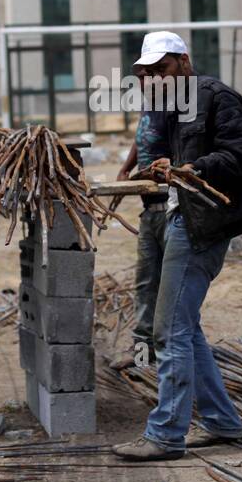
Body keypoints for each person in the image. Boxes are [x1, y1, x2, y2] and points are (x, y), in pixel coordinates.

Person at [111, 31, 242, 462]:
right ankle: (221, 421)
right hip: (179, 216)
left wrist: (190, 168)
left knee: (170, 331)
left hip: (203, 222)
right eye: (145, 74)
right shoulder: (169, 106)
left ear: (184, 61)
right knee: (186, 327)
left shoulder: (218, 97)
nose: (152, 79)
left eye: (160, 70)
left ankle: (165, 433)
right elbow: (155, 153)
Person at [109, 65, 172, 370]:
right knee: (145, 283)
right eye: (141, 77)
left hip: (173, 209)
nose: (144, 81)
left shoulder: (178, 105)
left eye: (149, 75)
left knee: (173, 287)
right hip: (150, 211)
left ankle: (171, 353)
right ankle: (142, 354)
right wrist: (126, 167)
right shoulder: (151, 105)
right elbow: (142, 137)